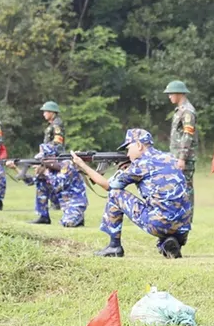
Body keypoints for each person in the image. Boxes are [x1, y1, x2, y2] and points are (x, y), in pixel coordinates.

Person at [77, 127, 190, 258]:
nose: (128, 153)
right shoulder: (170, 158)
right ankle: (169, 243)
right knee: (165, 210)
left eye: (128, 148)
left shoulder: (140, 165)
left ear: (138, 145)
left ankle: (114, 246)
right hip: (183, 226)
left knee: (115, 194)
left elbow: (109, 186)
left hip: (159, 224)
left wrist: (82, 165)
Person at [165, 80, 198, 214]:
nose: (169, 96)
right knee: (177, 189)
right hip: (177, 157)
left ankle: (186, 219)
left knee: (186, 190)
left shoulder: (187, 111)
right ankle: (179, 219)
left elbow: (187, 135)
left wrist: (182, 158)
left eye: (171, 93)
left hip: (184, 159)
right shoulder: (180, 110)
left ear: (179, 93)